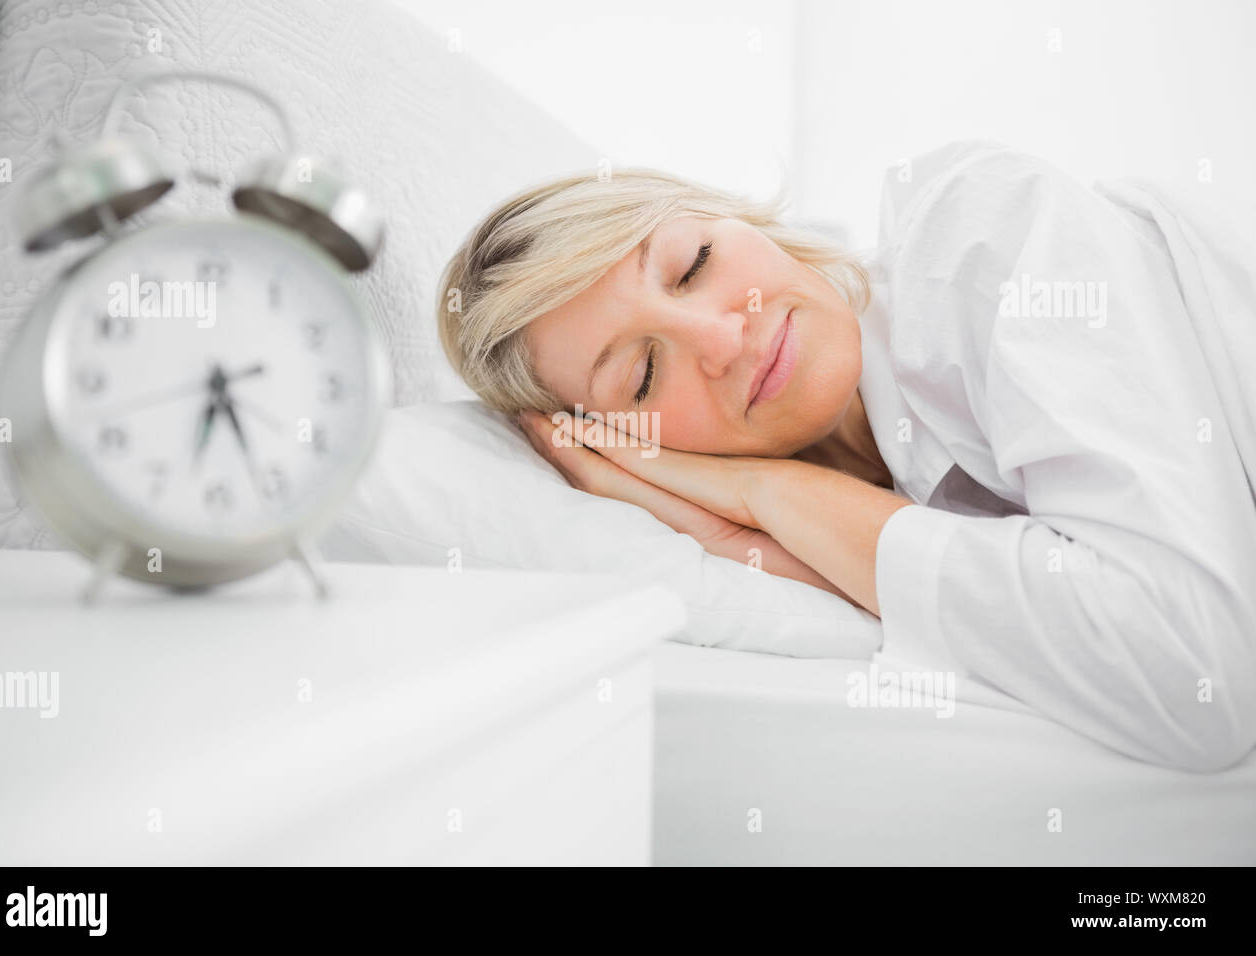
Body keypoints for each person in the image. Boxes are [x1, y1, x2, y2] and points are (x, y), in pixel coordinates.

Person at [436, 140, 1256, 772]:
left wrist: (767, 490)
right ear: (620, 451)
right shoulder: (848, 502)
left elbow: (1195, 675)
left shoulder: (981, 232)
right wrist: (733, 535)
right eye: (644, 375)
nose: (726, 335)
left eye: (694, 264)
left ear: (741, 222)